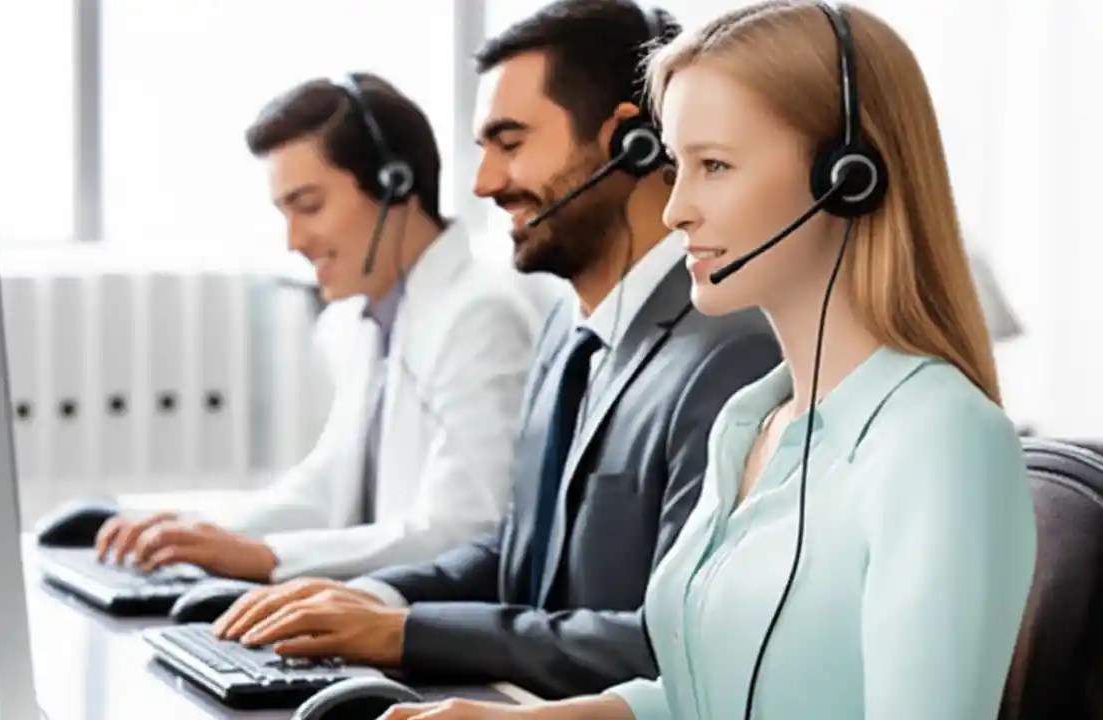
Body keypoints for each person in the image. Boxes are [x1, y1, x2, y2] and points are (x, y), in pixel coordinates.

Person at [378, 2, 1037, 718]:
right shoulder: (751, 420)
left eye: (714, 166)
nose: (674, 209)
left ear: (848, 177)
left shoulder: (939, 440)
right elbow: (704, 694)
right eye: (677, 165)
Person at [208, 0, 780, 699]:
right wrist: (377, 599)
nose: (482, 183)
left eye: (510, 144)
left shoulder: (728, 356)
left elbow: (671, 641)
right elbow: (513, 549)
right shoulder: (569, 336)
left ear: (626, 145)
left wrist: (409, 633)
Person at [93, 74, 544, 583]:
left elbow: (463, 529)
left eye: (308, 207)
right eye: (285, 213)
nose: (294, 240)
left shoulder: (480, 315)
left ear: (396, 184)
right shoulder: (358, 321)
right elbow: (327, 486)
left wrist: (265, 560)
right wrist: (196, 530)